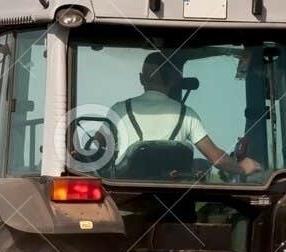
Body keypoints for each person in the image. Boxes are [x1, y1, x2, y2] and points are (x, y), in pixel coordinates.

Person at [108, 51, 262, 176]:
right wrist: (242, 168)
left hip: (126, 193)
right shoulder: (187, 115)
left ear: (141, 79)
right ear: (173, 80)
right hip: (174, 195)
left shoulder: (119, 110)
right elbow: (217, 159)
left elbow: (98, 146)